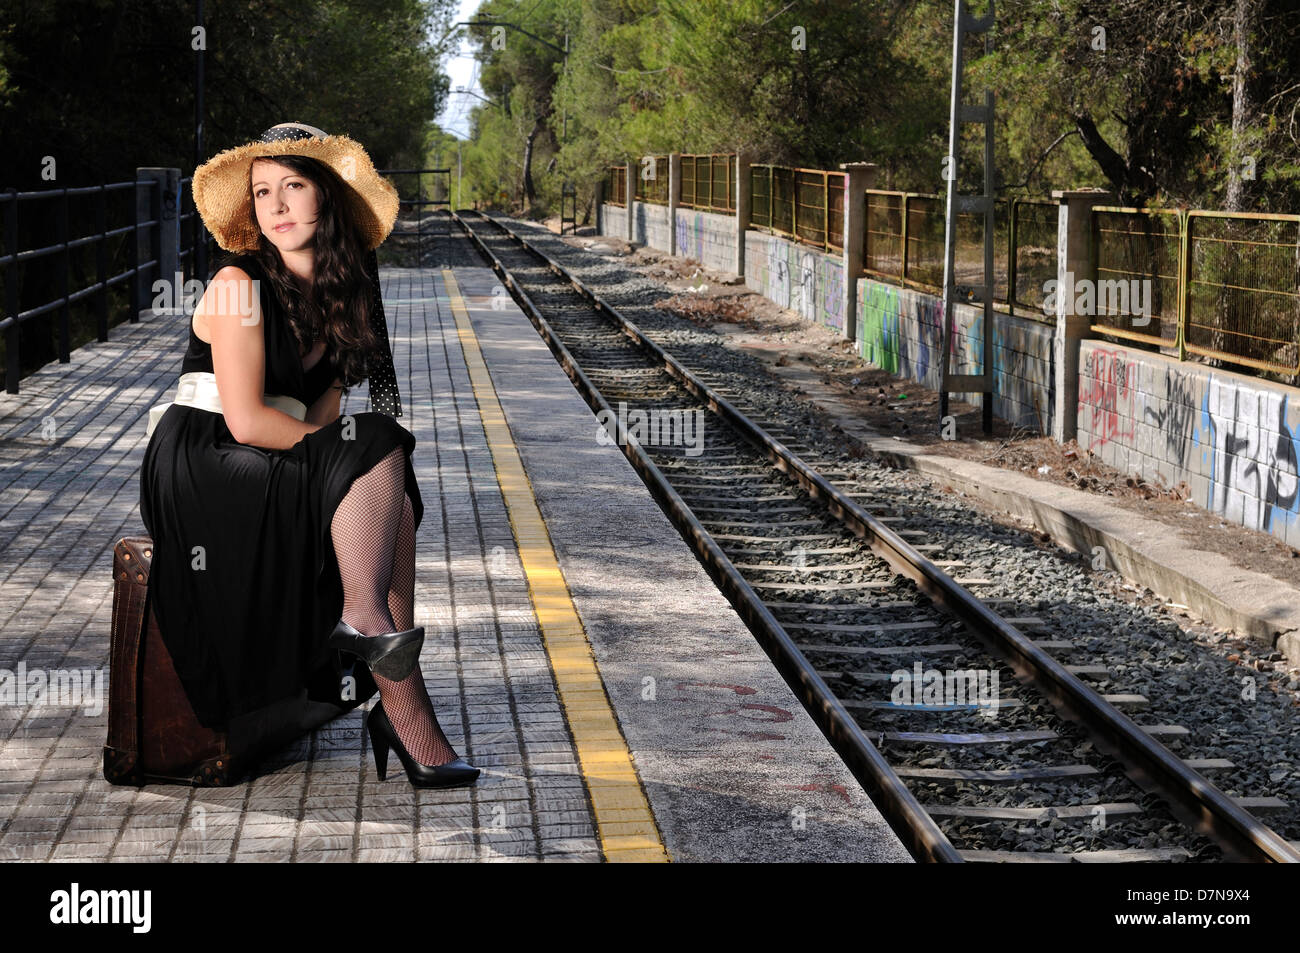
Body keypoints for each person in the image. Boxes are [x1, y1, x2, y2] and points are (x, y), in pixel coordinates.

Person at [139, 121, 478, 788]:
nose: (277, 204)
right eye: (263, 191)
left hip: (270, 457)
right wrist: (343, 459)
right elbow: (246, 418)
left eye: (294, 185)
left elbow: (324, 417)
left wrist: (343, 459)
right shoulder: (238, 283)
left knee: (389, 489)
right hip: (204, 458)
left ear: (328, 199)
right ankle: (382, 659)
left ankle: (389, 686)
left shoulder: (341, 299)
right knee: (378, 447)